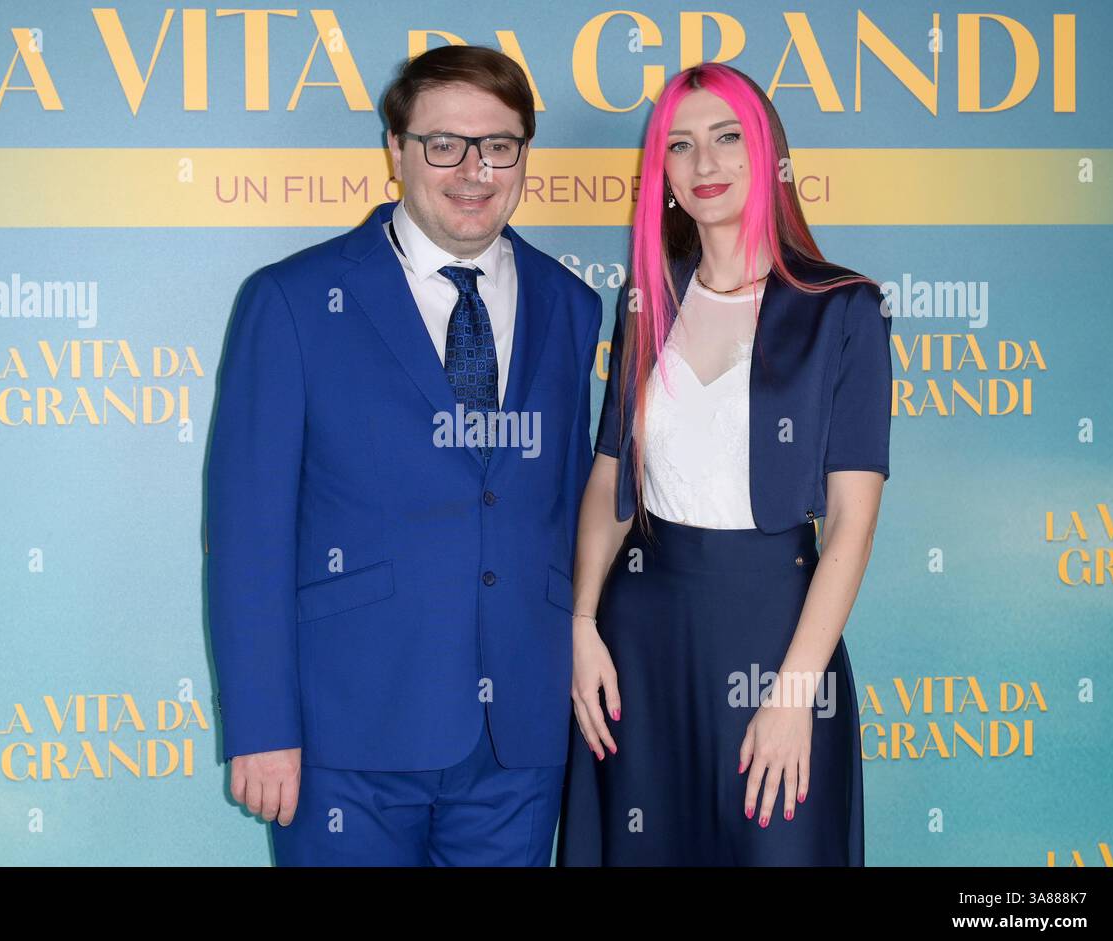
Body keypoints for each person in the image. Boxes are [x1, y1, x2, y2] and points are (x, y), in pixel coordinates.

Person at [205, 45, 601, 866]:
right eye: (443, 144)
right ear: (396, 149)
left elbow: (566, 508)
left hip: (519, 740)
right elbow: (248, 538)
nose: (473, 169)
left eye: (499, 145)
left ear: (524, 152)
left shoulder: (571, 305)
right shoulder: (293, 302)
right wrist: (263, 728)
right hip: (345, 737)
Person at [557, 62, 893, 866]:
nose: (704, 164)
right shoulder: (647, 300)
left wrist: (794, 695)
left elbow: (851, 518)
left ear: (769, 152)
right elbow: (612, 477)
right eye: (680, 146)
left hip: (778, 640)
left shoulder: (843, 309)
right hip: (638, 643)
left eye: (726, 137)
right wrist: (579, 626)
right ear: (662, 174)